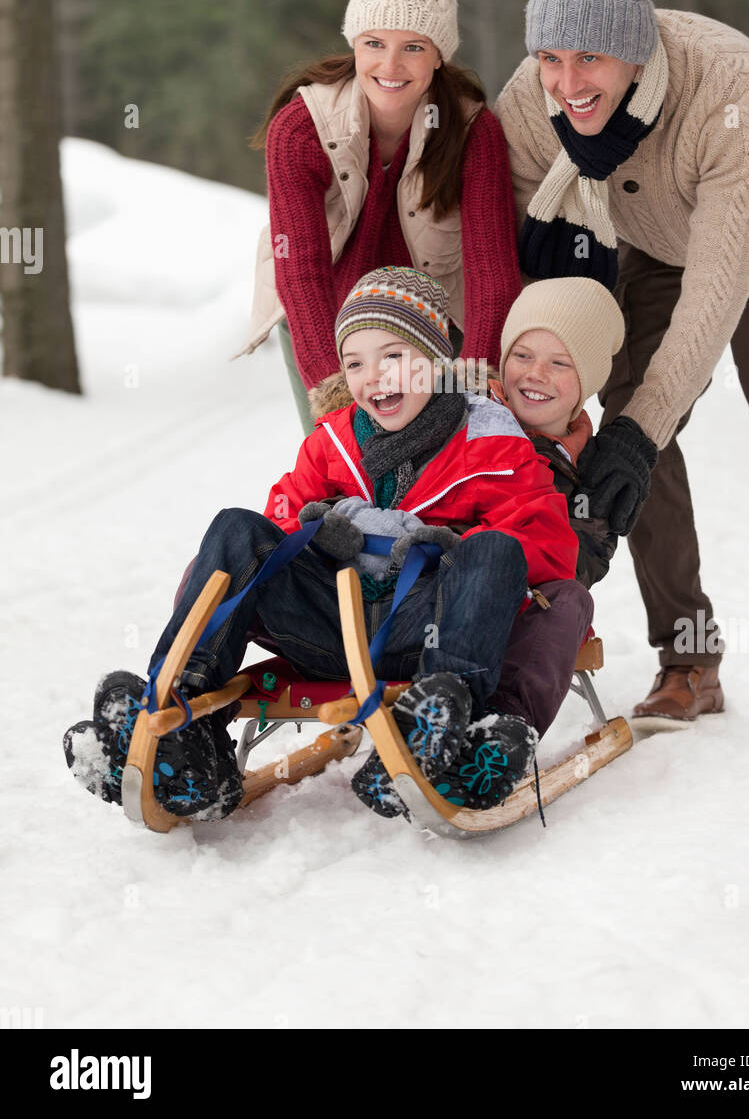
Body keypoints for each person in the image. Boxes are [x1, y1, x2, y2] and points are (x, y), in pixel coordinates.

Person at [494, 0, 749, 725]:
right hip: (647, 233)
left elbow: (717, 286)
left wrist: (641, 431)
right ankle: (690, 659)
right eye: (550, 57)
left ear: (636, 49)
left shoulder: (727, 91)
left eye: (589, 57)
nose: (565, 83)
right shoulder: (533, 97)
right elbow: (519, 240)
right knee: (632, 419)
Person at [64, 268, 579, 821]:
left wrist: (452, 545)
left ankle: (434, 724)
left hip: (426, 631)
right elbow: (278, 522)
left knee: (497, 549)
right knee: (237, 528)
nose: (373, 377)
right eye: (354, 363)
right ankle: (181, 719)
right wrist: (318, 532)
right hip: (328, 623)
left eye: (393, 356)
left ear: (435, 358)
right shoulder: (331, 441)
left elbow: (549, 548)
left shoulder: (492, 445)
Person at [237, 0, 523, 436]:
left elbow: (491, 267)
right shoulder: (301, 128)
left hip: (433, 315)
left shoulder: (474, 132)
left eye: (412, 47)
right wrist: (333, 389)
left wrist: (478, 379)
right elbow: (300, 268)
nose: (390, 66)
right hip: (325, 312)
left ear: (439, 56)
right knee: (339, 461)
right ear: (354, 43)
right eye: (374, 44)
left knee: (441, 463)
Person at [491, 276, 624, 593]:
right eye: (522, 356)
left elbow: (578, 565)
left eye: (560, 363)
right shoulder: (466, 419)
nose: (535, 374)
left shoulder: (593, 473)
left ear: (588, 378)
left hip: (516, 613)